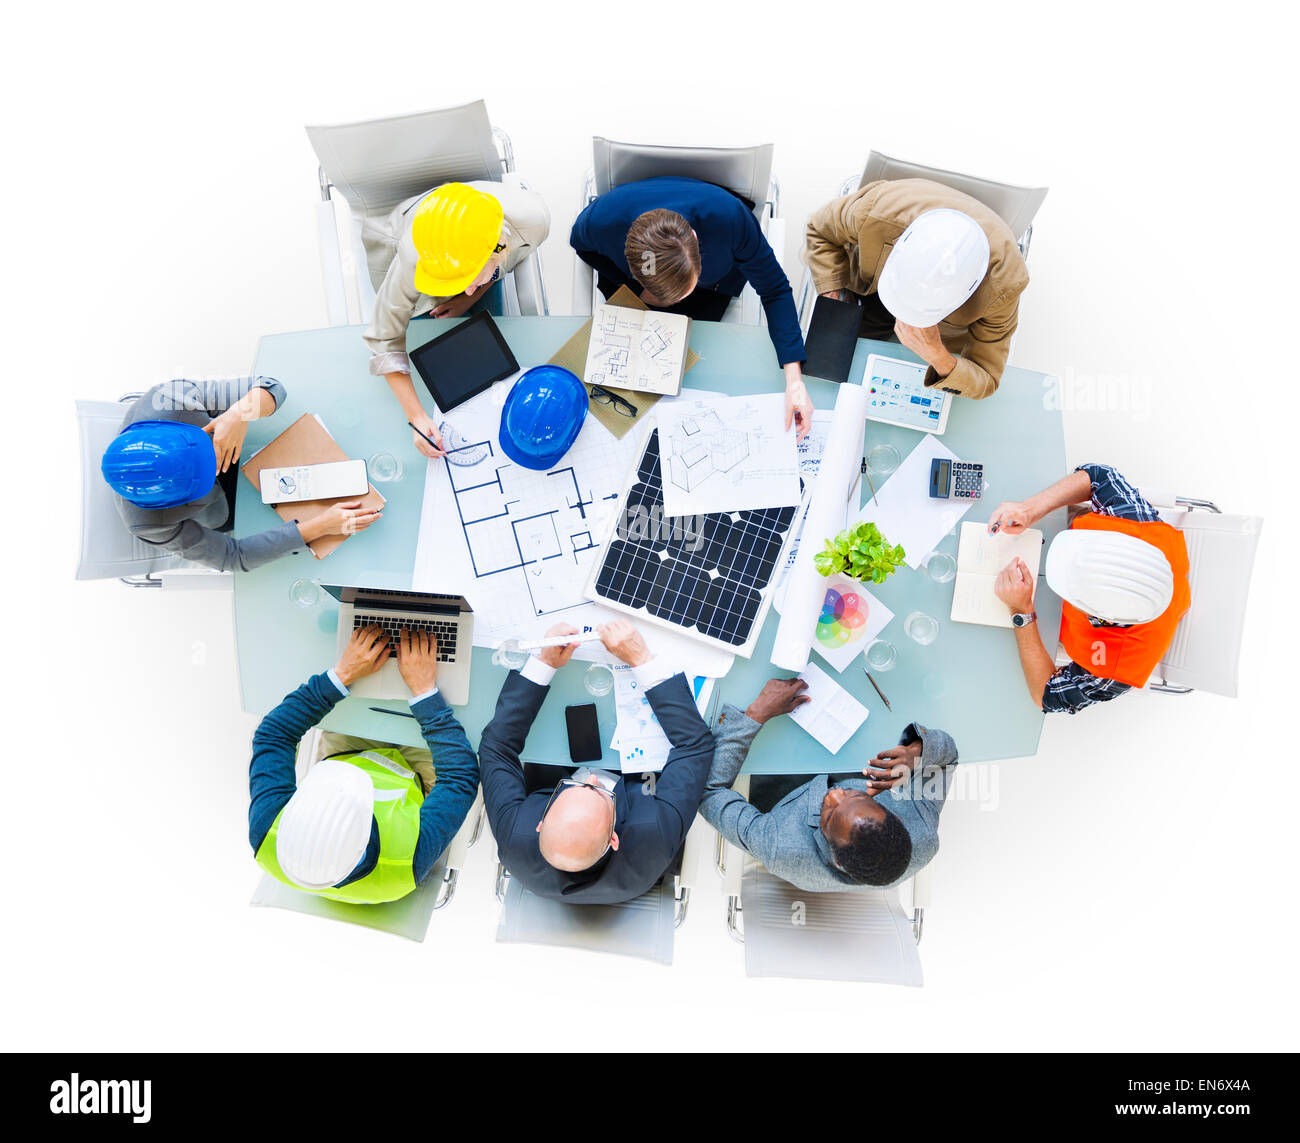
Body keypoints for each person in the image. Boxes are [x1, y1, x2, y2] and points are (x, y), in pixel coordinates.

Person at [479, 619, 715, 904]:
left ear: (540, 823)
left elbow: (495, 747)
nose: (591, 779)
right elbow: (695, 745)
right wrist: (641, 659)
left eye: (572, 789)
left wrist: (544, 663)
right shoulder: (651, 835)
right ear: (614, 839)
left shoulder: (516, 836)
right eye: (598, 793)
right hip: (640, 781)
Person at [248, 626, 479, 904]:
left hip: (346, 755)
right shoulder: (407, 863)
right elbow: (459, 777)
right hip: (417, 775)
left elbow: (273, 735)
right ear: (367, 834)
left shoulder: (267, 833)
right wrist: (425, 694)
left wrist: (341, 676)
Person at [569, 176, 812, 438]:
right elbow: (580, 245)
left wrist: (794, 380)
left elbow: (774, 289)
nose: (673, 306)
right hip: (640, 289)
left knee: (693, 370)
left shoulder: (731, 220)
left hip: (712, 287)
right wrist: (638, 291)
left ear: (695, 240)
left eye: (681, 294)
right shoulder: (603, 222)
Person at [698, 678, 959, 890]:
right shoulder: (922, 834)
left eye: (830, 815)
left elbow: (709, 792)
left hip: (784, 788)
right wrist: (916, 753)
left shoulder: (780, 845)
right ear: (895, 816)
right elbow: (946, 761)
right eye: (856, 797)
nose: (833, 796)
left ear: (834, 856)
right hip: (853, 749)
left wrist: (756, 714)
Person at [102, 377, 380, 572]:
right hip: (231, 510)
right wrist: (320, 527)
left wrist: (240, 413)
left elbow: (272, 387)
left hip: (255, 443)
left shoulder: (169, 401)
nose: (218, 464)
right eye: (207, 474)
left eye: (210, 451)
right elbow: (233, 557)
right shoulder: (148, 524)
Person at [364, 181, 551, 460]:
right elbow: (383, 339)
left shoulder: (534, 222)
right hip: (398, 242)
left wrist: (470, 298)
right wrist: (416, 417)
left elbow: (503, 264)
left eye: (469, 282)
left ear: (499, 248)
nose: (466, 288)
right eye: (457, 284)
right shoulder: (415, 255)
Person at [989, 463, 1191, 715]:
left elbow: (1047, 696)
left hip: (1034, 611)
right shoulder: (1140, 527)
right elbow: (1099, 476)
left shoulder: (1117, 671)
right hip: (1042, 533)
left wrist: (1022, 612)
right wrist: (1030, 509)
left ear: (1095, 616)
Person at [803, 178, 1029, 399]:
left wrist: (939, 357)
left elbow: (986, 377)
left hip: (940, 336)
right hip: (868, 294)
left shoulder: (1004, 285)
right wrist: (834, 294)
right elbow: (819, 230)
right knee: (823, 382)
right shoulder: (877, 212)